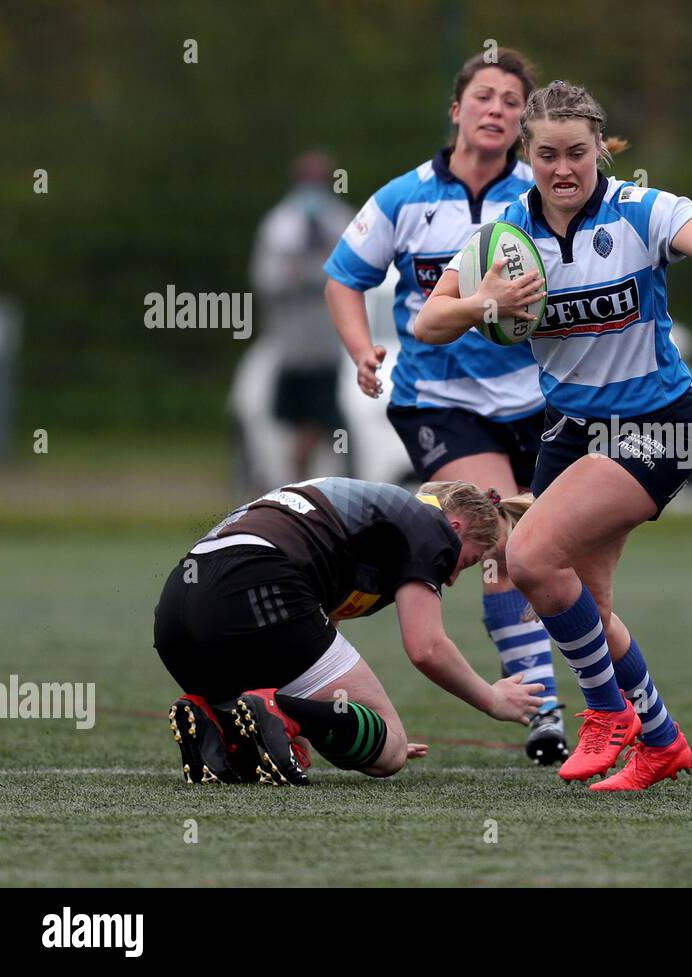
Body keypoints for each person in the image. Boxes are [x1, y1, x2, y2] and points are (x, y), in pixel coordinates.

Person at [414, 79, 692, 791]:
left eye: (578, 154)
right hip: (572, 430)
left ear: (600, 151)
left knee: (527, 556)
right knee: (588, 607)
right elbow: (426, 324)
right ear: (525, 156)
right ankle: (662, 742)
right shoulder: (504, 240)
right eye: (548, 154)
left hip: (657, 424)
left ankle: (606, 713)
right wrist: (480, 301)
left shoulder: (639, 210)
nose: (564, 169)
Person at [323, 49, 569, 764]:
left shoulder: (542, 194)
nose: (496, 108)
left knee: (549, 554)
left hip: (542, 400)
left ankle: (611, 704)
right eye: (484, 95)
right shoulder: (404, 198)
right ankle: (544, 710)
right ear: (456, 109)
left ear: (524, 124)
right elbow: (343, 277)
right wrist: (360, 347)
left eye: (512, 101)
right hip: (440, 398)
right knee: (500, 537)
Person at [155, 477, 543, 785]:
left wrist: (351, 730)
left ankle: (216, 718)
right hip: (257, 586)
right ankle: (266, 712)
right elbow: (427, 648)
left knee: (262, 746)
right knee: (389, 751)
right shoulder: (431, 525)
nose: (454, 576)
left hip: (177, 610)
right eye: (469, 560)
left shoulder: (375, 514)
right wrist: (492, 699)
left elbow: (312, 638)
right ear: (455, 527)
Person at [250, 150, 353, 482]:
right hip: (293, 351)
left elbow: (350, 273)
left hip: (329, 349)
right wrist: (310, 270)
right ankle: (298, 490)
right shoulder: (278, 225)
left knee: (326, 429)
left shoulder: (343, 221)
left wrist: (305, 271)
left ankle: (318, 490)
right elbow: (266, 278)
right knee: (296, 431)